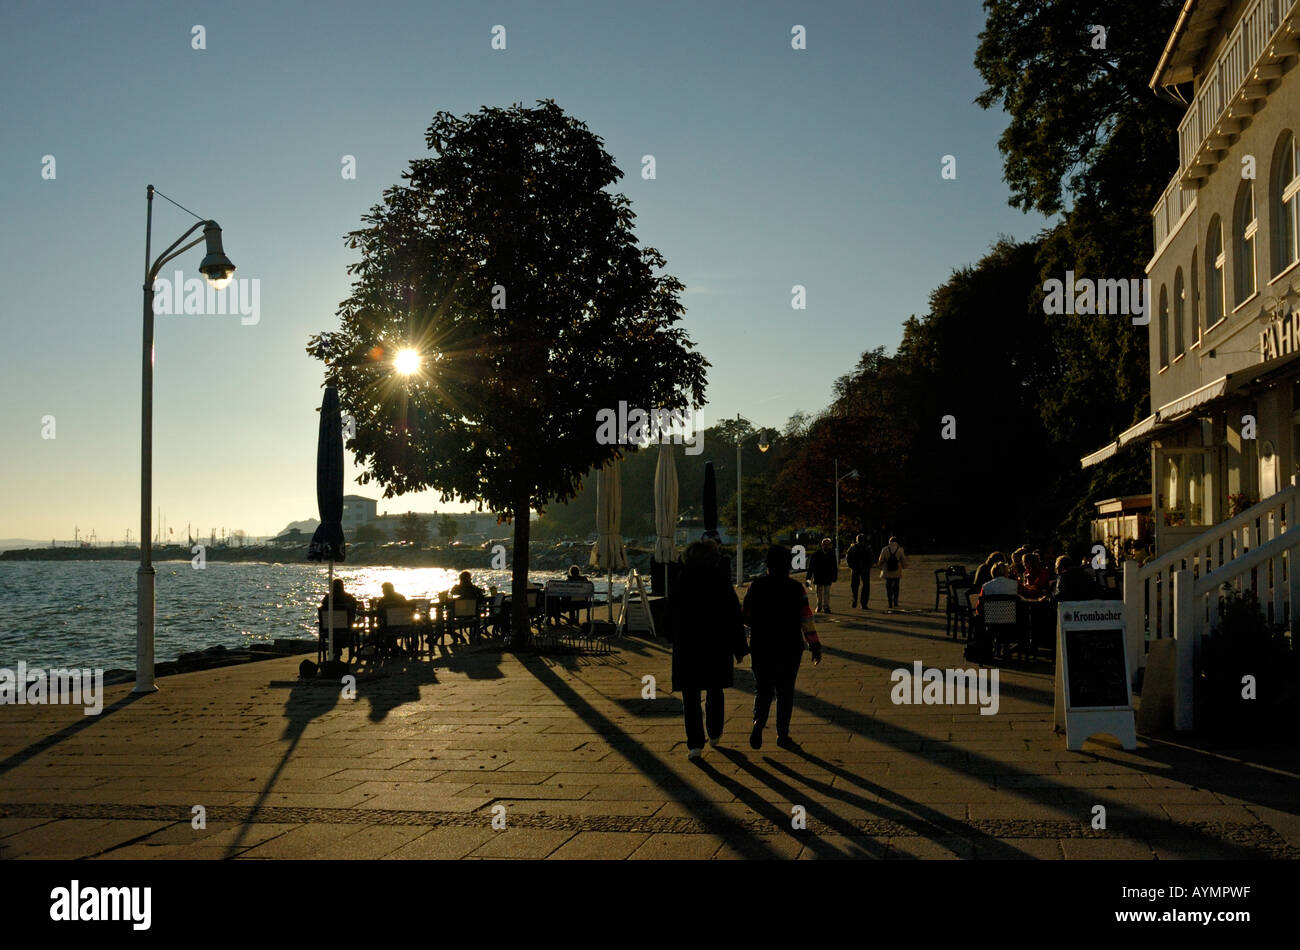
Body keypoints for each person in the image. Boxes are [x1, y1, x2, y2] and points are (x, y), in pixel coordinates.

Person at [667, 539, 748, 760]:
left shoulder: (680, 578)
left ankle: (695, 744)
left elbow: (671, 611)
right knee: (715, 690)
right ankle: (714, 731)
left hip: (688, 645)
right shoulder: (719, 579)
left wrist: (669, 636)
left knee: (690, 697)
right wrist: (739, 647)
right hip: (716, 644)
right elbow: (733, 615)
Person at [743, 545, 823, 750]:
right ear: (789, 564)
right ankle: (782, 734)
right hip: (789, 645)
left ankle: (758, 722)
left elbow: (746, 616)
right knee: (785, 691)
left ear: (767, 564)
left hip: (761, 644)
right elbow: (806, 618)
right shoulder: (796, 589)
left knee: (763, 688)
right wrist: (814, 644)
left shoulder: (756, 586)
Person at [319, 579, 358, 661]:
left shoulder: (327, 598)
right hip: (345, 629)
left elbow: (322, 607)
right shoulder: (348, 598)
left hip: (329, 630)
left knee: (335, 630)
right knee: (342, 628)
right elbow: (354, 609)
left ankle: (335, 651)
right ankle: (341, 652)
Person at [808, 537, 838, 613]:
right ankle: (819, 606)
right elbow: (811, 566)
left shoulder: (832, 554)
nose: (826, 546)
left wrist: (834, 576)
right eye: (824, 544)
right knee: (819, 592)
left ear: (830, 545)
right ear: (821, 545)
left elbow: (834, 566)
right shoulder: (816, 554)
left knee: (826, 592)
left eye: (827, 544)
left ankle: (826, 607)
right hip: (818, 576)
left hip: (827, 576)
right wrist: (809, 576)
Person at [876, 535, 906, 609]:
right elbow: (903, 560)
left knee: (888, 587)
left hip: (887, 570)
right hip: (897, 570)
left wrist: (879, 566)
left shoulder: (885, 549)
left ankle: (890, 602)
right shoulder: (900, 549)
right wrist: (903, 566)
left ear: (889, 542)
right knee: (896, 586)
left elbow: (881, 560)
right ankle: (895, 601)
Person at [845, 533, 871, 609]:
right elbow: (871, 558)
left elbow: (848, 558)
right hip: (865, 569)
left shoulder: (852, 548)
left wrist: (851, 566)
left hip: (855, 569)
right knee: (865, 586)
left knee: (854, 586)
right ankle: (864, 603)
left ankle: (855, 599)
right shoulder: (867, 548)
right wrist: (868, 566)